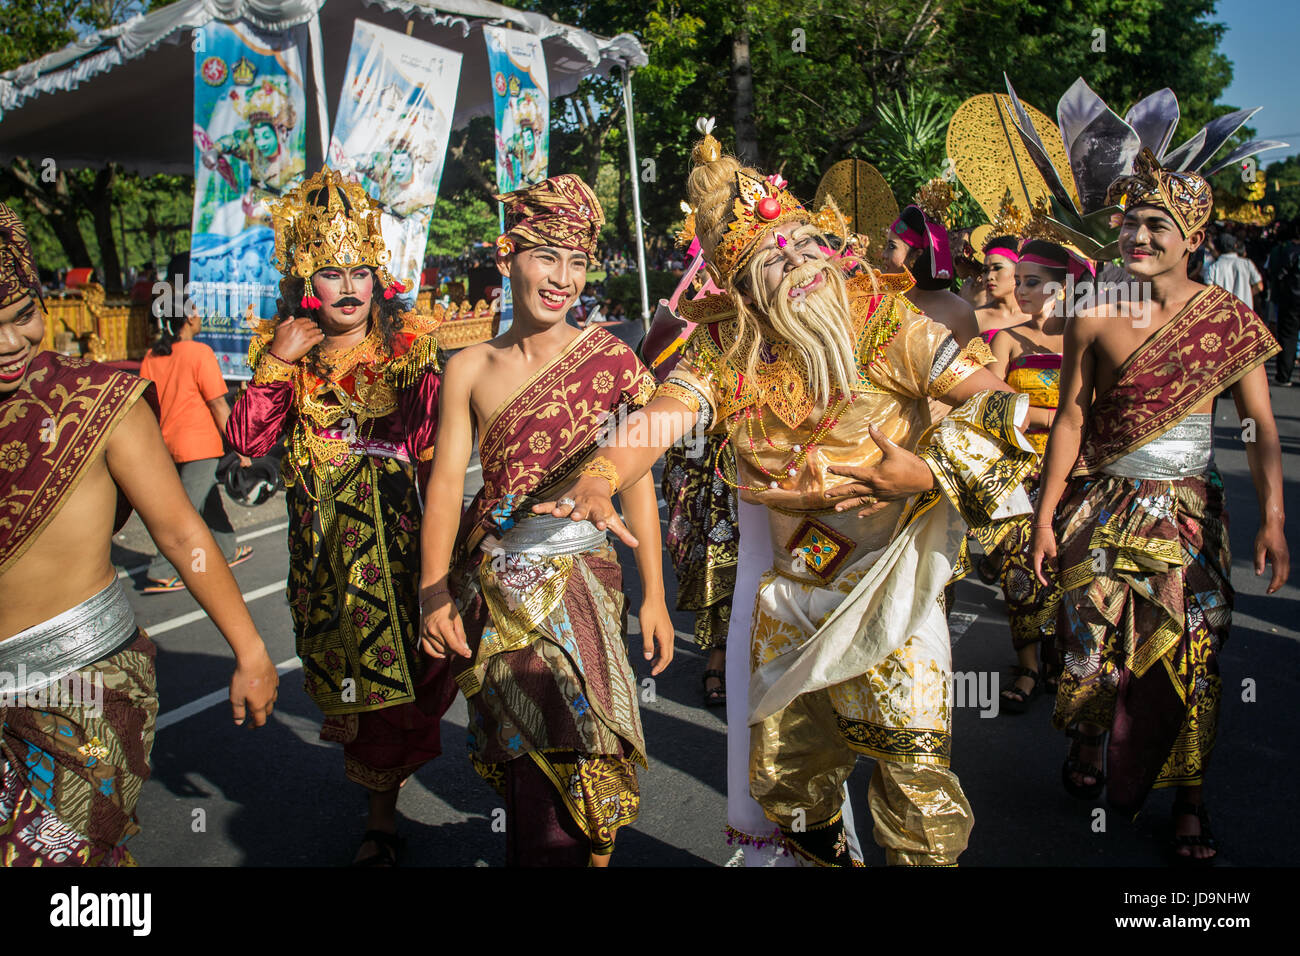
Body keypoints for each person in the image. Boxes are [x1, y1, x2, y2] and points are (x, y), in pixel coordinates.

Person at [530, 127, 1038, 866]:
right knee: (790, 789)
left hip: (891, 589)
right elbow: (661, 417)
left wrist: (923, 475)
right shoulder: (728, 351)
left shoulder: (885, 322)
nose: (799, 267)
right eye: (774, 260)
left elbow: (996, 403)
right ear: (740, 290)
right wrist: (602, 475)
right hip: (792, 599)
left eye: (804, 245)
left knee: (916, 788)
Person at [1030, 150, 1289, 865]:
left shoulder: (1228, 321)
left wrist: (1272, 517)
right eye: (1130, 224)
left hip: (1187, 514)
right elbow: (1072, 422)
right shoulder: (1093, 317)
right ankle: (1089, 734)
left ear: (1195, 240)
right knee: (1088, 648)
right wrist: (1046, 516)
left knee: (1190, 655)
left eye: (1157, 225)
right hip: (1101, 506)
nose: (1137, 237)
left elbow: (1262, 428)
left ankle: (1190, 798)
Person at [0, 202, 278, 866]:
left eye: (21, 316)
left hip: (89, 696)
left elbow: (182, 534)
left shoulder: (100, 404)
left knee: (66, 851)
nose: (11, 342)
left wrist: (251, 652)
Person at [419, 174, 674, 866]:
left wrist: (653, 593)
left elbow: (639, 488)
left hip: (589, 582)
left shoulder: (614, 361)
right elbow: (445, 486)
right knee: (528, 754)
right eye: (545, 256)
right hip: (500, 589)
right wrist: (434, 590)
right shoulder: (469, 366)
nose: (563, 278)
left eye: (578, 261)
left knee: (595, 747)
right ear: (507, 259)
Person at [227, 169, 457, 866]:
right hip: (321, 561)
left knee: (401, 695)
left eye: (360, 270)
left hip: (395, 557)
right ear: (308, 283)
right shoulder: (285, 356)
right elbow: (245, 444)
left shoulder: (406, 352)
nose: (349, 287)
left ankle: (381, 823)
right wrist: (274, 362)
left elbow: (432, 449)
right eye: (331, 273)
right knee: (350, 693)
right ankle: (377, 810)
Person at [985, 239, 1073, 712]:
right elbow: (993, 403)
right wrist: (1049, 419)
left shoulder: (1084, 336)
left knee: (1069, 566)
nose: (1020, 290)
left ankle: (1062, 654)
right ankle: (1028, 664)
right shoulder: (1006, 339)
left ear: (1063, 287)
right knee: (1020, 567)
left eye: (1032, 282)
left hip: (1075, 470)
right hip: (1019, 470)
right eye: (1018, 281)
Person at [140, 305, 253, 593]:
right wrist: (239, 445)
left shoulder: (153, 356)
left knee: (206, 497)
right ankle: (162, 569)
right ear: (189, 319)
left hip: (165, 442)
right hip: (198, 444)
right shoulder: (199, 353)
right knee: (185, 510)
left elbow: (145, 404)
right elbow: (218, 404)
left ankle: (227, 549)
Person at [880, 204, 980, 347]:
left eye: (891, 247)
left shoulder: (960, 312)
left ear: (917, 255)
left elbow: (973, 367)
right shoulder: (879, 301)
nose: (883, 255)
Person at [974, 236, 1030, 343]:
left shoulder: (1039, 316)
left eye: (998, 268)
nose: (989, 276)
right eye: (985, 270)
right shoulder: (976, 318)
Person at [1266, 218, 1300, 386]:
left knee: (1288, 336)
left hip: (1291, 299)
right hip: (1290, 298)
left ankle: (1284, 375)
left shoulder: (1288, 251)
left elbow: (1278, 274)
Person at [1204, 232, 1264, 311]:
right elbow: (1259, 286)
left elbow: (1208, 292)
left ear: (1217, 248)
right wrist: (1247, 295)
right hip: (1244, 312)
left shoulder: (1213, 267)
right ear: (1235, 246)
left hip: (1223, 313)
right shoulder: (1246, 263)